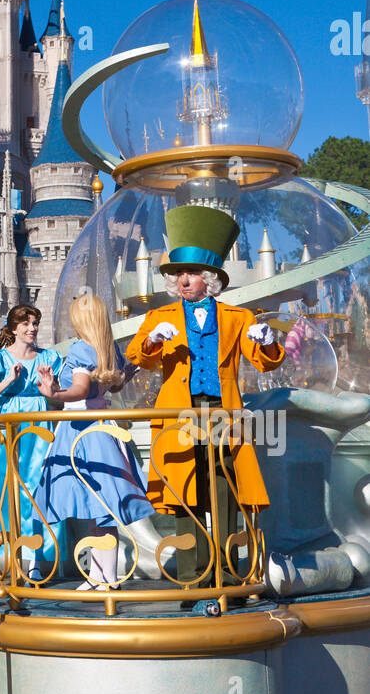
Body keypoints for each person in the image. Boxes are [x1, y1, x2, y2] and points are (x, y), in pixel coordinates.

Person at [125, 204, 285, 586]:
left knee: (225, 486)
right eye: (179, 273)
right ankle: (191, 575)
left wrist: (269, 342)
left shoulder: (237, 318)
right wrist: (152, 340)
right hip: (180, 412)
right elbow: (136, 357)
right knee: (185, 489)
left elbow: (265, 364)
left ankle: (228, 571)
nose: (184, 280)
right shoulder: (158, 318)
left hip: (221, 409)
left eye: (192, 273)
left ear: (210, 279)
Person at [35, 293, 155, 589]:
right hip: (102, 427)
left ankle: (108, 578)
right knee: (97, 506)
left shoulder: (79, 349)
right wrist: (124, 375)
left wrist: (54, 394)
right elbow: (113, 385)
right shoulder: (108, 347)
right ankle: (100, 575)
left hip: (81, 430)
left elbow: (79, 389)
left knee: (98, 506)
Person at [0, 305, 62, 573]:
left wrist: (49, 386)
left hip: (38, 425)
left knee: (37, 488)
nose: (32, 328)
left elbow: (55, 398)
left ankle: (36, 560)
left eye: (35, 323)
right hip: (6, 425)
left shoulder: (50, 357)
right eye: (26, 324)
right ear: (13, 328)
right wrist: (9, 380)